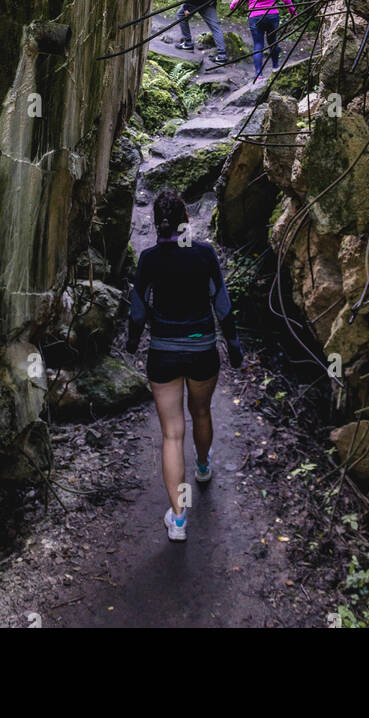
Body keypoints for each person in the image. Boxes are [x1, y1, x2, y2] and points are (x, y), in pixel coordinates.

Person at [125, 188, 244, 541]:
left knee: (172, 434)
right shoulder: (204, 255)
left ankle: (178, 519)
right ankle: (204, 468)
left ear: (155, 224)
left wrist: (133, 343)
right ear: (186, 221)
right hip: (202, 350)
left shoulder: (148, 260)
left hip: (163, 352)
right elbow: (222, 305)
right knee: (202, 413)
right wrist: (234, 347)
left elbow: (137, 310)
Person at [229, 0, 296, 82]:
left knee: (258, 45)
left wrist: (232, 7)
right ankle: (275, 68)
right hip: (272, 15)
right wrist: (292, 10)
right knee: (273, 41)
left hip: (256, 17)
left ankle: (258, 75)